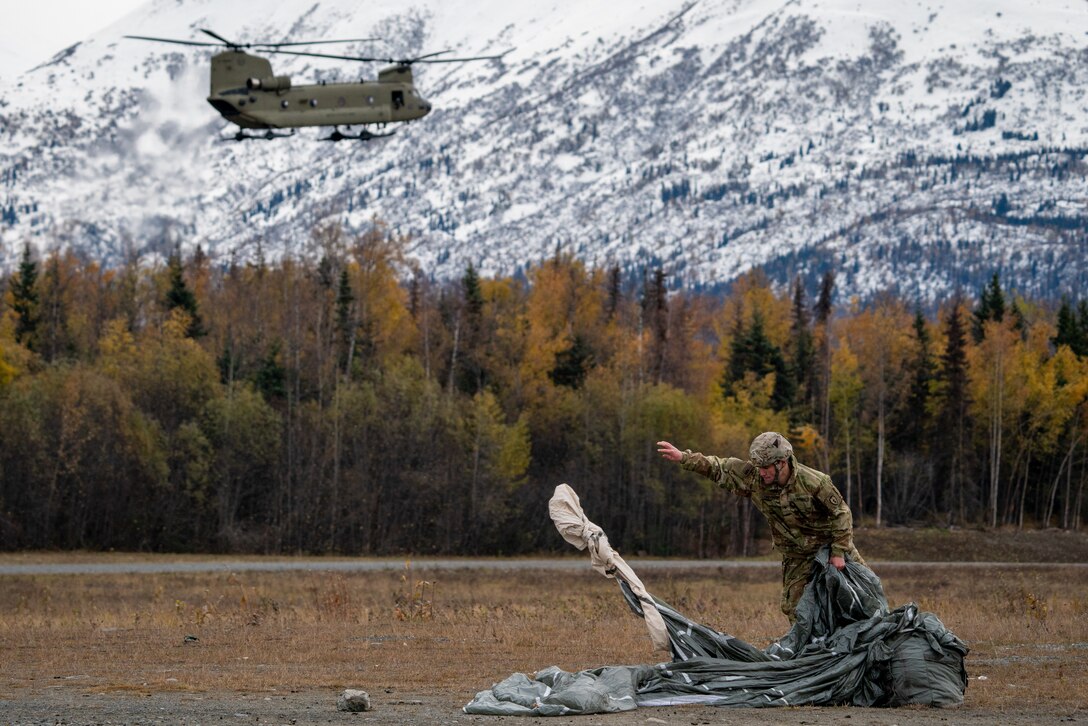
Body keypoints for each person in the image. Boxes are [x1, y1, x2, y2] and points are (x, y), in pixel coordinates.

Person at [657, 432, 866, 623]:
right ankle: (814, 652)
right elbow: (718, 467)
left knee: (864, 594)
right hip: (797, 556)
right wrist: (684, 457)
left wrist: (839, 552)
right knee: (795, 608)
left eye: (766, 468)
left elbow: (841, 513)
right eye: (759, 467)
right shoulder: (754, 478)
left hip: (832, 547)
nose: (762, 473)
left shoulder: (814, 482)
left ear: (782, 463)